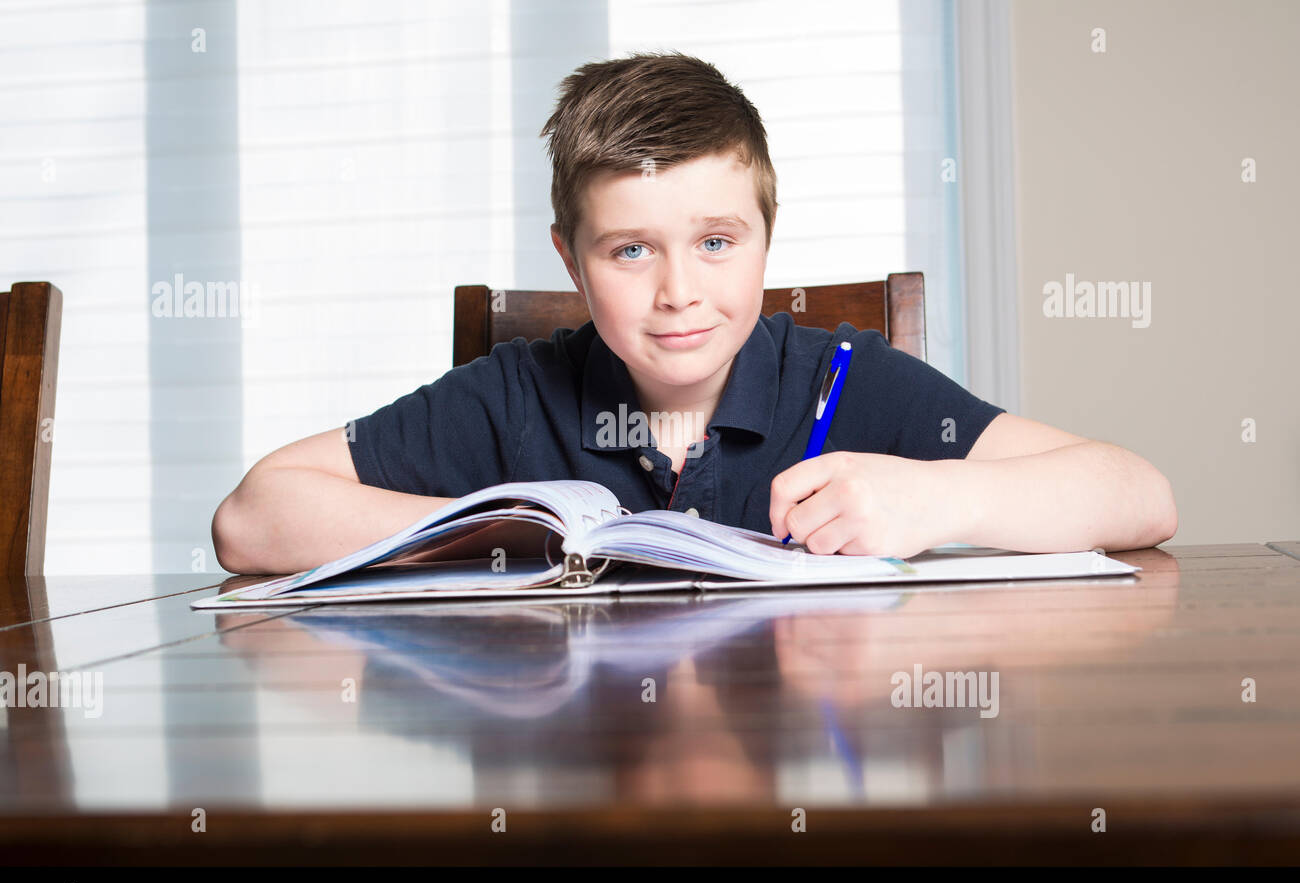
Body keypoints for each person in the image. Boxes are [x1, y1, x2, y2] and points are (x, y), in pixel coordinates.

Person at [212, 52, 1176, 576]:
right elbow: (252, 521)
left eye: (716, 242)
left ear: (765, 239)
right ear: (570, 263)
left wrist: (936, 499)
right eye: (630, 250)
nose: (678, 291)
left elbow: (1138, 494)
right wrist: (510, 532)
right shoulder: (518, 392)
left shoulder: (847, 377)